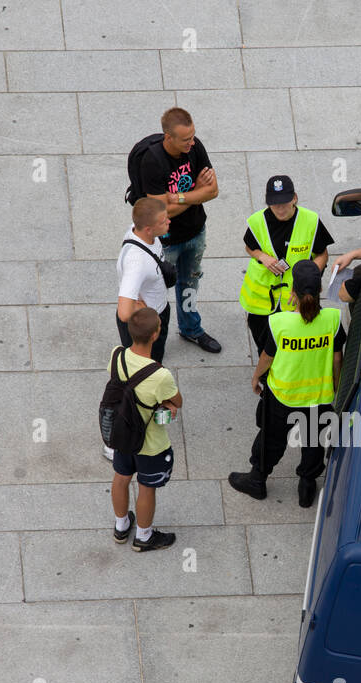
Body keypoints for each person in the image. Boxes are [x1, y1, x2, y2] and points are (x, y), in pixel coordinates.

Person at [229, 260, 346, 508]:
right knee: (313, 441)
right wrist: (337, 387)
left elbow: (267, 357)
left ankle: (257, 480)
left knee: (271, 439)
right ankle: (306, 487)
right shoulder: (333, 320)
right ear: (320, 291)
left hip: (283, 396)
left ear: (292, 292)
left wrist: (255, 377)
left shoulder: (280, 323)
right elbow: (337, 359)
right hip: (319, 397)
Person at [138, 106, 221, 354]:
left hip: (195, 233)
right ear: (168, 137)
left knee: (190, 284)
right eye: (185, 139)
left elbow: (213, 191)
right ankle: (150, 337)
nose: (191, 143)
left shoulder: (196, 147)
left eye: (192, 136)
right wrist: (197, 192)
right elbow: (158, 212)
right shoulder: (151, 161)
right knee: (155, 290)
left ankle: (191, 329)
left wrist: (179, 198)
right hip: (165, 241)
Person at [111, 307, 181, 553]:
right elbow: (177, 401)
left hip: (122, 434)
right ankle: (144, 536)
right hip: (150, 443)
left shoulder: (117, 355)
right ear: (155, 335)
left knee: (121, 478)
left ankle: (121, 527)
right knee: (146, 487)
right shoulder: (161, 375)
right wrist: (165, 404)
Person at [239, 175, 333, 356]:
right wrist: (262, 257)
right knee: (264, 345)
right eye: (274, 203)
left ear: (295, 198)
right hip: (262, 300)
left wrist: (307, 282)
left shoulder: (311, 220)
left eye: (285, 202)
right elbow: (250, 247)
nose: (280, 208)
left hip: (297, 299)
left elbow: (322, 254)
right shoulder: (257, 221)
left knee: (293, 346)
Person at [109, 197, 172, 459]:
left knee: (148, 369)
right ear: (148, 229)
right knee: (135, 379)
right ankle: (120, 434)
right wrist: (142, 310)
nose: (168, 221)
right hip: (146, 325)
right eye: (163, 220)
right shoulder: (136, 262)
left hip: (156, 316)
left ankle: (149, 406)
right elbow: (124, 311)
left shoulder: (142, 233)